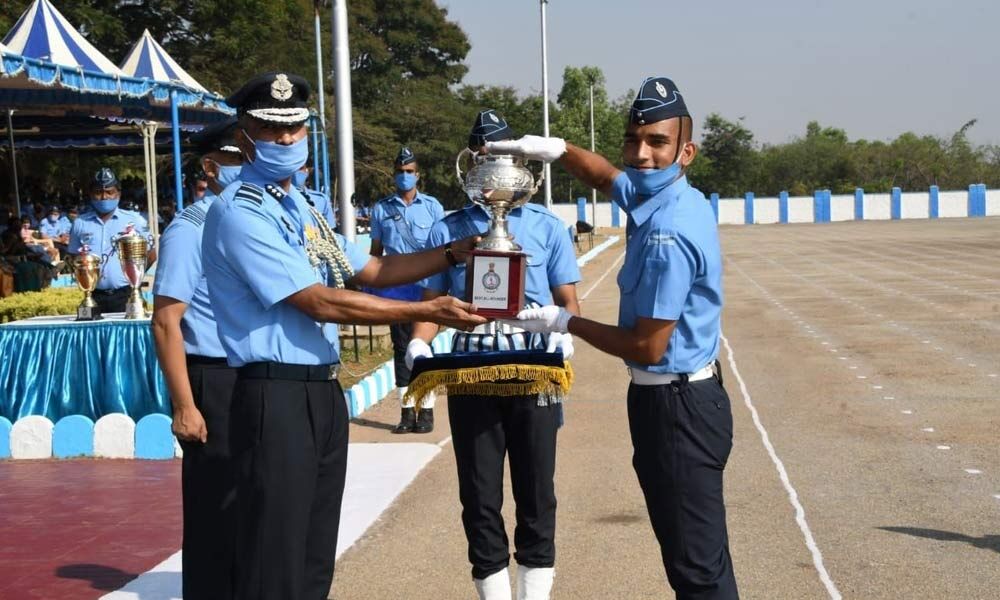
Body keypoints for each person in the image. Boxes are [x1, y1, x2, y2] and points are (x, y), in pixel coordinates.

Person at [201, 72, 486, 600]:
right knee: (275, 556)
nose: (286, 141)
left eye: (295, 130)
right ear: (243, 136)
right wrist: (432, 311)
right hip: (274, 393)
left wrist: (452, 254)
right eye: (271, 130)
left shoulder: (304, 206)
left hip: (320, 392)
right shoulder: (239, 212)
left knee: (313, 552)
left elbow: (370, 269)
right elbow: (318, 300)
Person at [495, 77, 739, 599]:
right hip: (677, 398)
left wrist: (564, 321)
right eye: (634, 140)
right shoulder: (665, 198)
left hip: (677, 405)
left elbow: (647, 345)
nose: (641, 153)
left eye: (657, 142)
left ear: (686, 151)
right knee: (697, 558)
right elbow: (606, 177)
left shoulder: (668, 231)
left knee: (696, 569)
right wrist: (558, 151)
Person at [407, 109, 581, 600]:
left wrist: (565, 333)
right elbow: (430, 302)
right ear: (471, 164)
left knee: (536, 493)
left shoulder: (546, 226)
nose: (493, 166)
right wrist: (421, 342)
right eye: (484, 157)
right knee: (479, 497)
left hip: (533, 368)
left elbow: (569, 301)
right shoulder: (450, 229)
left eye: (502, 157)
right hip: (472, 373)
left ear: (521, 165)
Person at [151, 119, 243, 600]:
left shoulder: (246, 220)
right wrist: (184, 405)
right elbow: (167, 321)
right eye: (237, 158)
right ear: (210, 167)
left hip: (249, 376)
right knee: (214, 515)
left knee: (248, 506)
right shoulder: (190, 229)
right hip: (212, 379)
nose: (250, 165)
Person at [370, 146, 446, 434]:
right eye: (401, 172)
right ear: (394, 174)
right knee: (402, 349)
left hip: (427, 285)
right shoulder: (381, 209)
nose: (405, 176)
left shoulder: (433, 207)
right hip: (397, 289)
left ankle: (426, 411)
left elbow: (441, 247)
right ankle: (406, 412)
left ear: (418, 175)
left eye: (410, 172)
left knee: (424, 347)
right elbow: (376, 252)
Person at [68, 168, 155, 314]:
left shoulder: (135, 220)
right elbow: (73, 257)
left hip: (126, 293)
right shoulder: (80, 223)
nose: (104, 197)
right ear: (90, 195)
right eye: (98, 192)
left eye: (109, 192)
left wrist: (133, 275)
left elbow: (151, 254)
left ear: (118, 194)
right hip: (93, 294)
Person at [292, 161, 336, 225]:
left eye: (301, 168)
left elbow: (330, 231)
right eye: (293, 169)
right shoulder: (277, 199)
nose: (296, 173)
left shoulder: (321, 200)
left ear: (306, 172)